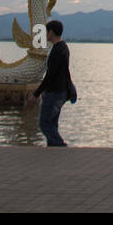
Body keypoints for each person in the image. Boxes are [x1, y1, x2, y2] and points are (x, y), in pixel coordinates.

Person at [26, 19, 73, 147]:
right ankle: (53, 149)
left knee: (45, 123)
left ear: (51, 32)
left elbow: (50, 75)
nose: (46, 34)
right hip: (60, 90)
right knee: (52, 123)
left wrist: (36, 94)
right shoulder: (63, 48)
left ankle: (60, 146)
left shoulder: (58, 50)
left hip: (55, 92)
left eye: (47, 32)